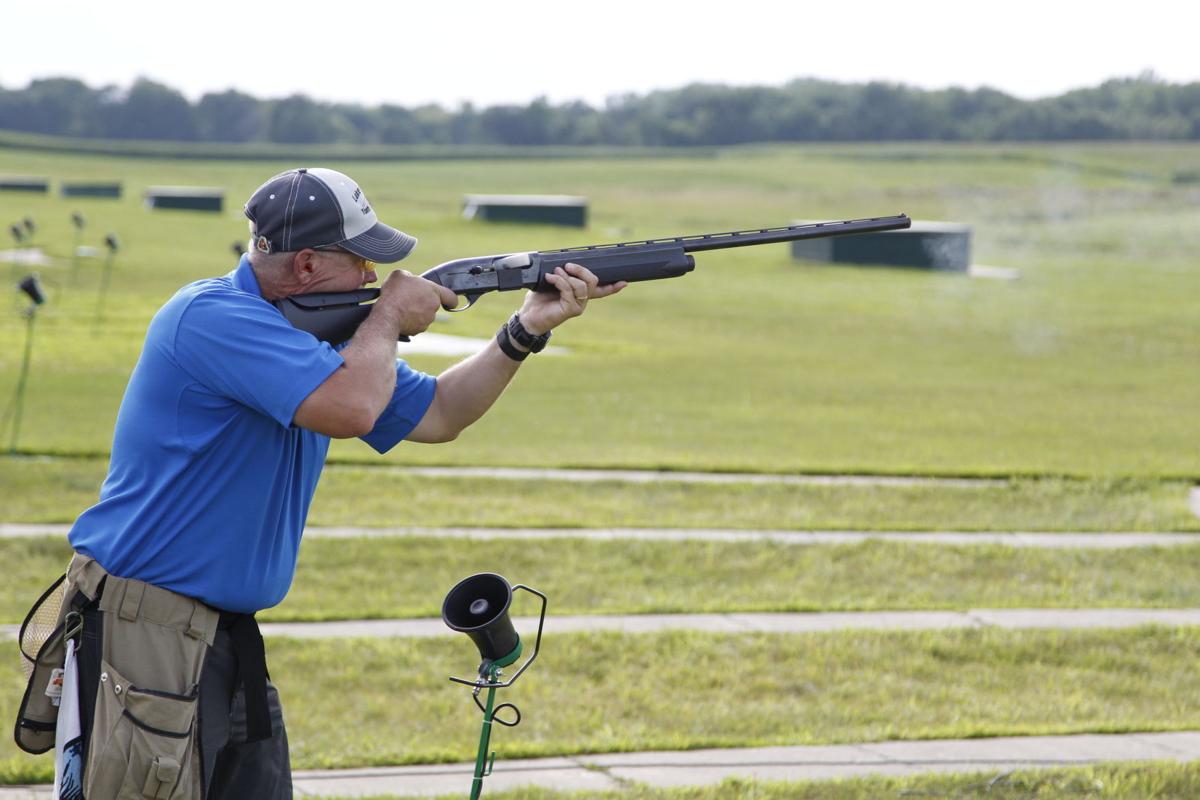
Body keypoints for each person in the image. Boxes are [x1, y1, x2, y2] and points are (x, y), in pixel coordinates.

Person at [54, 167, 626, 799]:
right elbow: (352, 410)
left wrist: (525, 331)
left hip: (222, 636)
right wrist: (385, 322)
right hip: (150, 634)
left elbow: (440, 414)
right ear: (305, 266)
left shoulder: (318, 343)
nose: (374, 279)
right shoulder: (212, 317)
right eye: (363, 261)